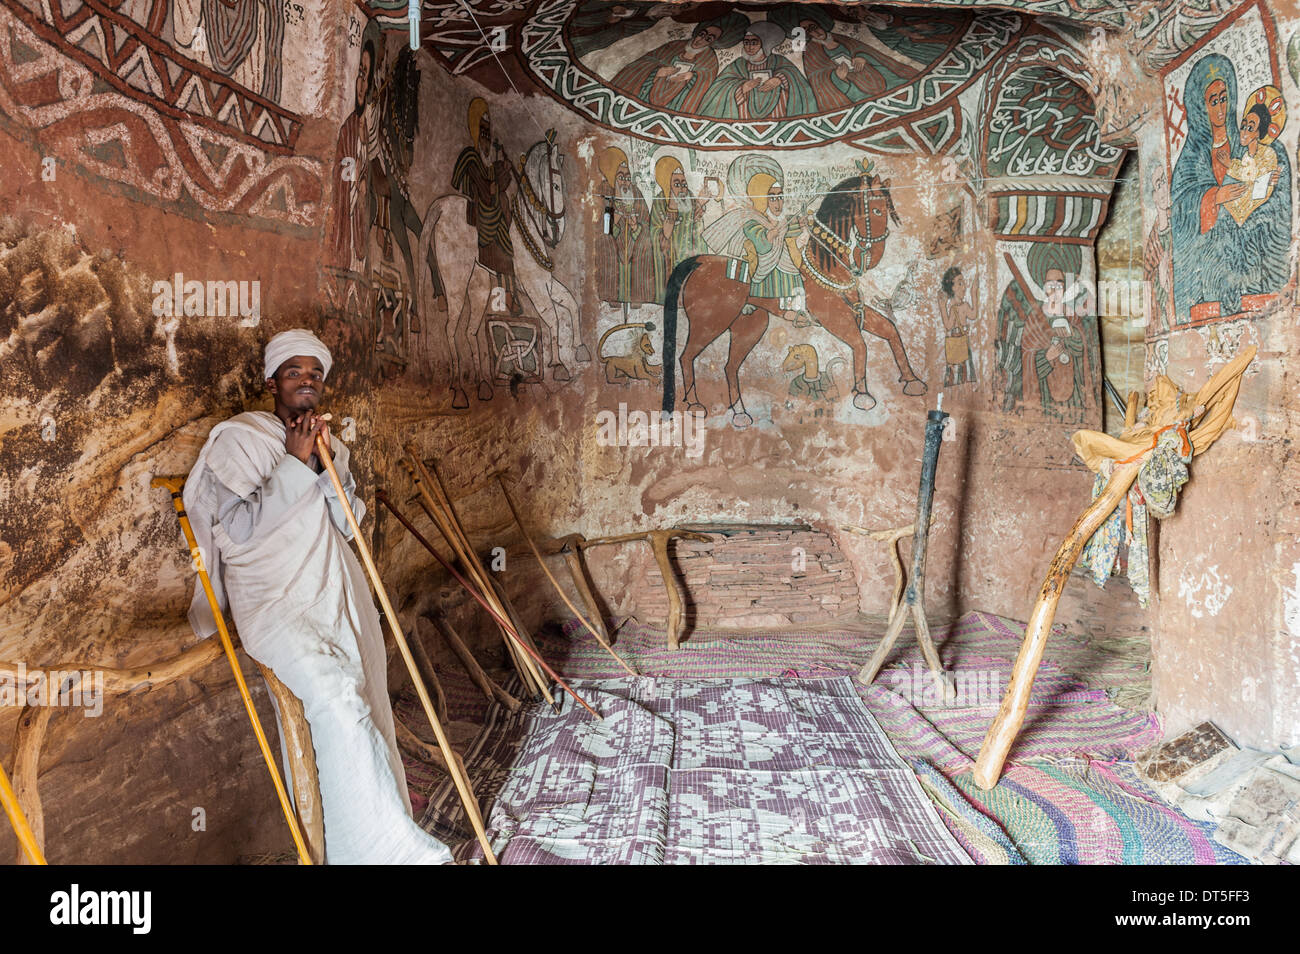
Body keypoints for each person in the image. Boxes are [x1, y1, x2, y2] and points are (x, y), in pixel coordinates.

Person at [182, 329, 452, 865]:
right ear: (271, 383)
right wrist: (291, 462)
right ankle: (390, 853)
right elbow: (236, 533)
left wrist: (324, 466)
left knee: (365, 696)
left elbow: (345, 526)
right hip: (273, 604)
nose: (305, 381)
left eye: (314, 373)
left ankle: (373, 835)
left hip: (330, 594)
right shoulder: (237, 439)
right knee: (335, 699)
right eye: (293, 372)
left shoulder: (332, 444)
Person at [697, 20, 816, 120]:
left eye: (754, 42)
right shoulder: (738, 64)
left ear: (764, 44)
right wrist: (741, 87)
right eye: (746, 42)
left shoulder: (779, 61)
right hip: (743, 121)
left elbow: (797, 80)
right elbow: (720, 86)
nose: (749, 47)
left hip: (779, 117)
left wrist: (780, 79)